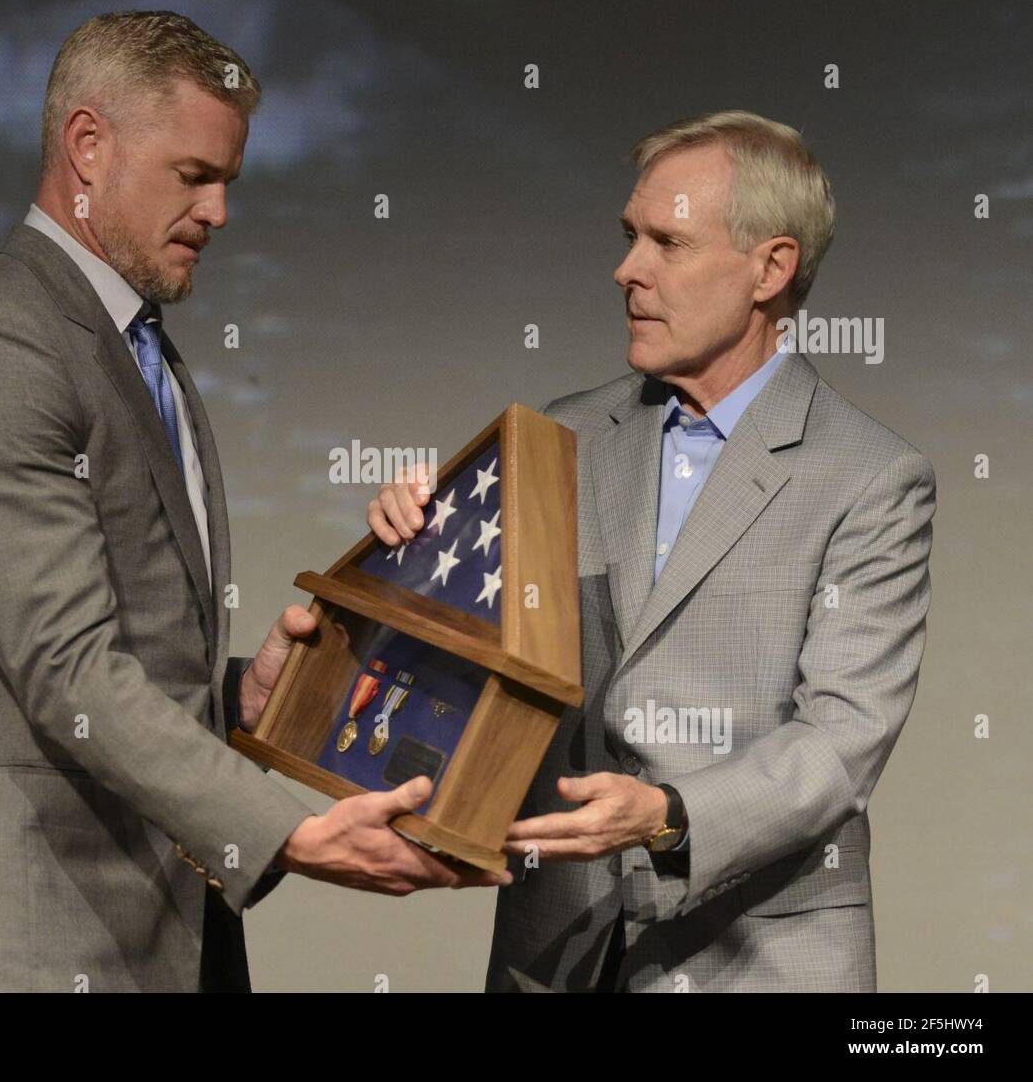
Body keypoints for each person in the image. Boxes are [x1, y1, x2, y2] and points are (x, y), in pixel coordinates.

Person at [0, 10, 504, 993]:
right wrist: (289, 831)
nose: (217, 211)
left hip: (166, 929)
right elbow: (65, 665)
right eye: (193, 176)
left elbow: (125, 651)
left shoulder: (138, 350)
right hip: (27, 941)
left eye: (228, 182)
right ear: (88, 146)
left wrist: (236, 693)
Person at [368, 111, 935, 992]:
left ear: (771, 269)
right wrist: (407, 558)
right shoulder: (564, 436)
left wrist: (671, 816)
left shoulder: (869, 478)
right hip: (558, 950)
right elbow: (473, 670)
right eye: (630, 237)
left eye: (668, 242)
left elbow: (840, 741)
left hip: (759, 957)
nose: (627, 270)